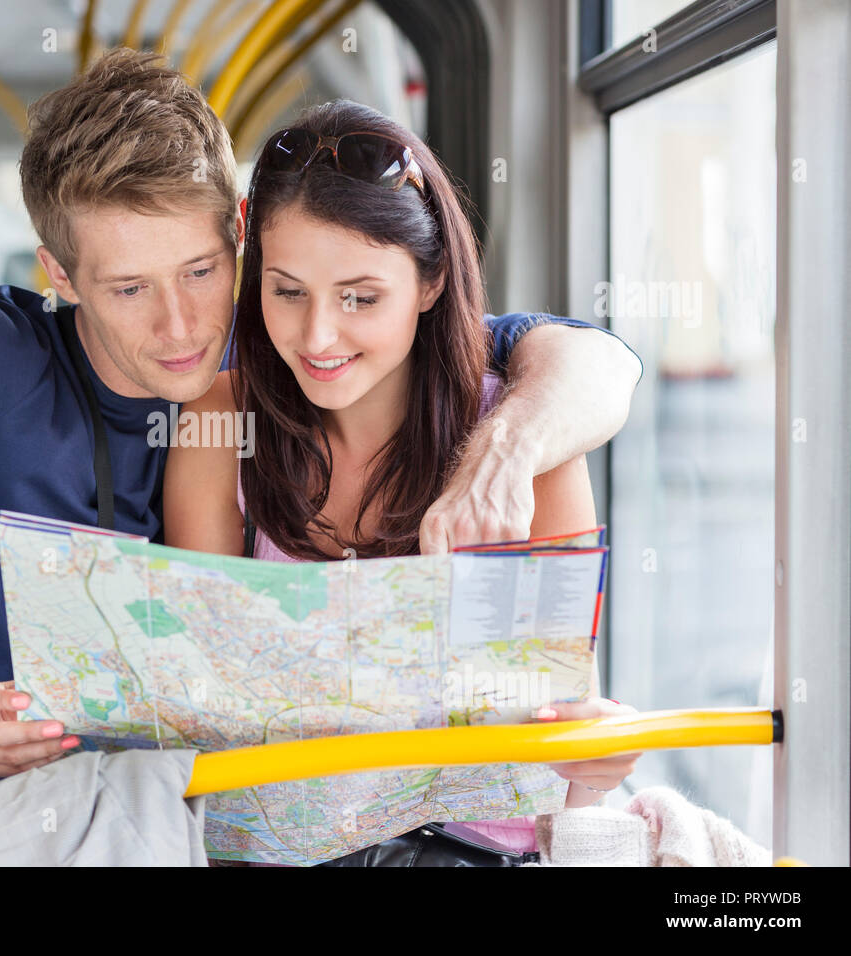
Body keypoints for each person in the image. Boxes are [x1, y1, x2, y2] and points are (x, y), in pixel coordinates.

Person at [0, 2, 641, 863]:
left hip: (173, 830)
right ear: (60, 273)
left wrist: (507, 447)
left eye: (201, 272)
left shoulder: (300, 356)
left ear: (239, 239)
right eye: (128, 288)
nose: (180, 326)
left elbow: (578, 360)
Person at [163, 100, 641, 865]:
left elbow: (564, 722)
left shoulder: (527, 435)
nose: (318, 336)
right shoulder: (221, 423)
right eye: (287, 291)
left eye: (360, 296)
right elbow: (202, 700)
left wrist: (594, 751)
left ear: (430, 280)